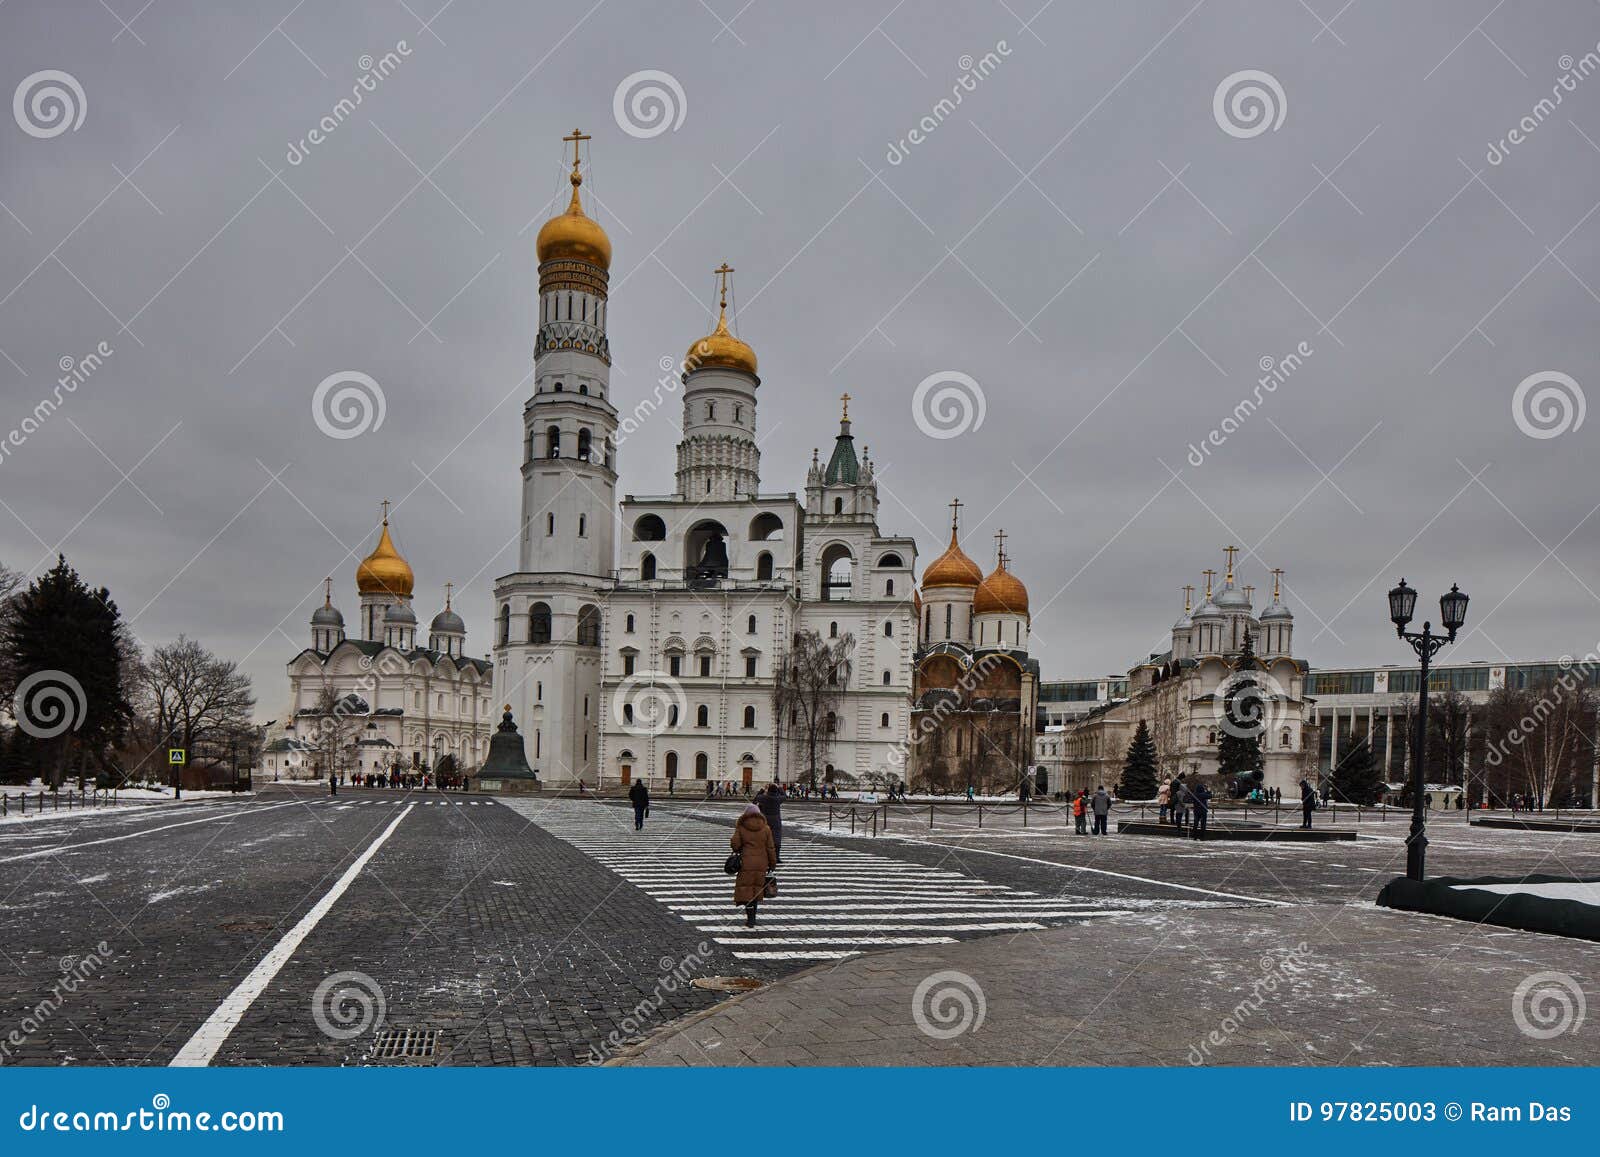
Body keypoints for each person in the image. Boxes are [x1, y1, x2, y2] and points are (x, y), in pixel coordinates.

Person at [730, 803, 777, 927]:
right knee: (756, 890)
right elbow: (770, 848)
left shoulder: (741, 827)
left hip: (746, 862)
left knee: (747, 890)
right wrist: (772, 864)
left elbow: (735, 845)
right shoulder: (766, 828)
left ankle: (750, 919)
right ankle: (753, 918)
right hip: (761, 863)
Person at [756, 782, 786, 860]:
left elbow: (756, 798)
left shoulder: (763, 798)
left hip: (765, 820)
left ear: (768, 790)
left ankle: (764, 855)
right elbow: (784, 796)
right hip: (776, 820)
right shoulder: (778, 799)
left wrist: (762, 789)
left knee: (764, 837)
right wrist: (779, 787)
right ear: (776, 790)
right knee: (776, 838)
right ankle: (777, 857)